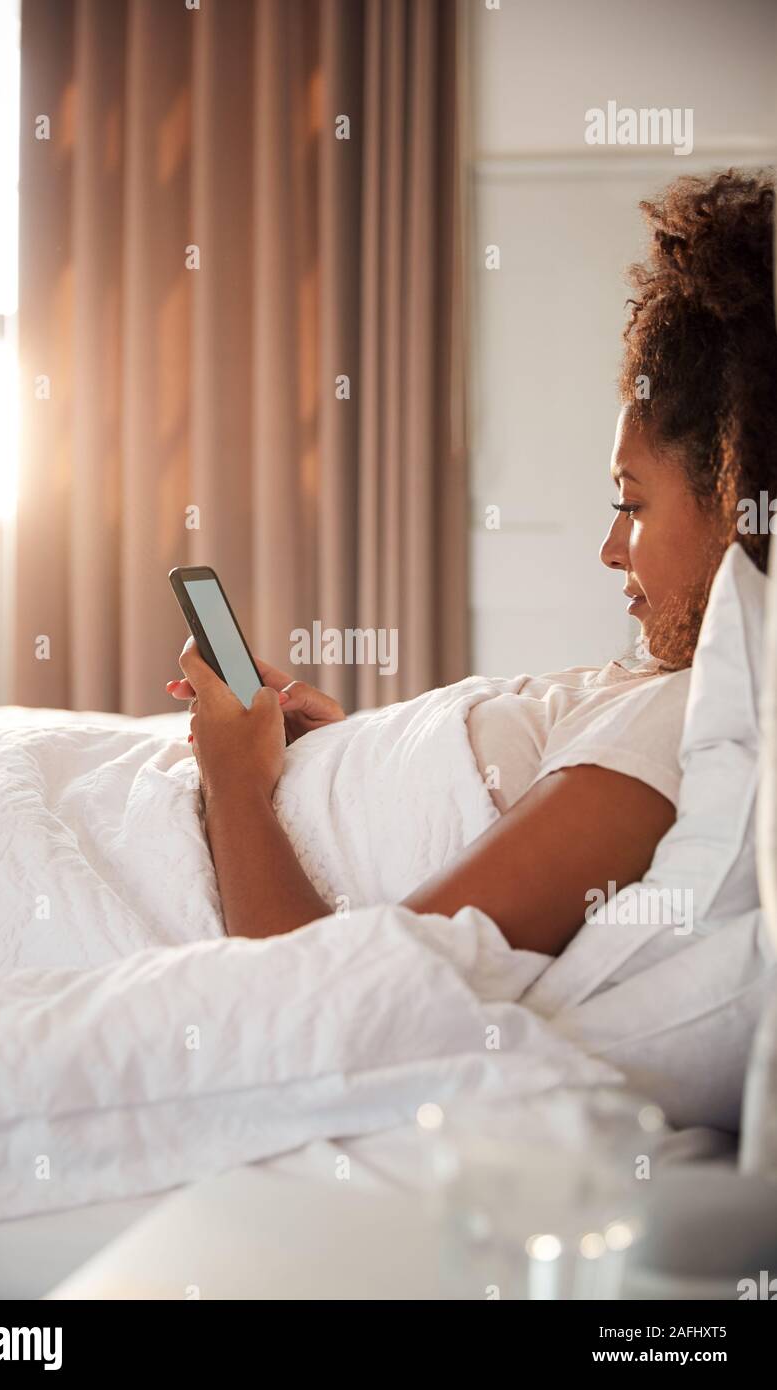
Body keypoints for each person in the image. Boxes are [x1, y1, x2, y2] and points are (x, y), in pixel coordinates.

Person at [167, 170, 777, 954]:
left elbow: (336, 992)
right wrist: (337, 755)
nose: (609, 547)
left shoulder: (672, 731)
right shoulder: (662, 690)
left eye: (631, 503)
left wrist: (233, 781)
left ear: (735, 506)